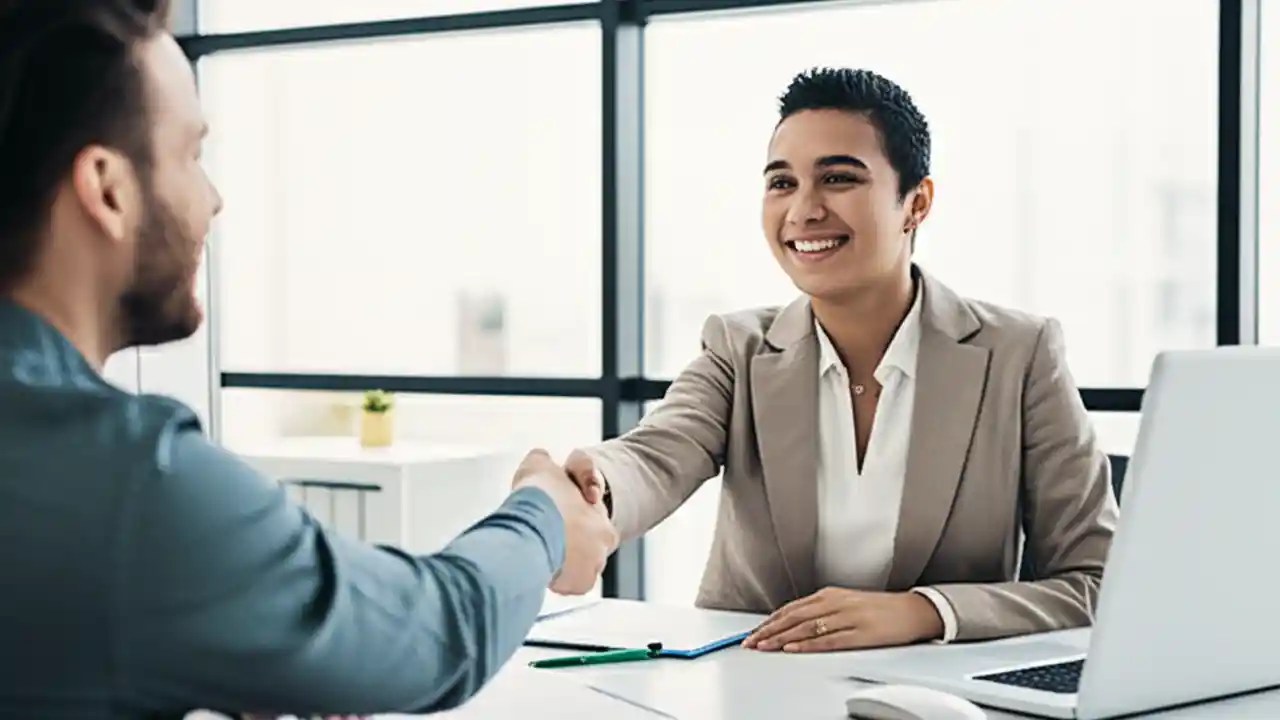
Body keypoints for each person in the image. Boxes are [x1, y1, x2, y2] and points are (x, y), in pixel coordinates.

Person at [0, 1, 617, 717]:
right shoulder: (127, 481)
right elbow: (441, 628)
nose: (214, 199)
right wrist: (542, 514)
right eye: (191, 156)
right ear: (107, 189)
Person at [562, 67, 1118, 652]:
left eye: (838, 178)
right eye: (782, 183)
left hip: (937, 698)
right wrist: (594, 489)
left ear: (916, 203)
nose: (803, 210)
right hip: (758, 684)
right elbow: (655, 458)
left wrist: (923, 612)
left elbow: (1096, 582)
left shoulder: (1018, 355)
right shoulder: (739, 348)